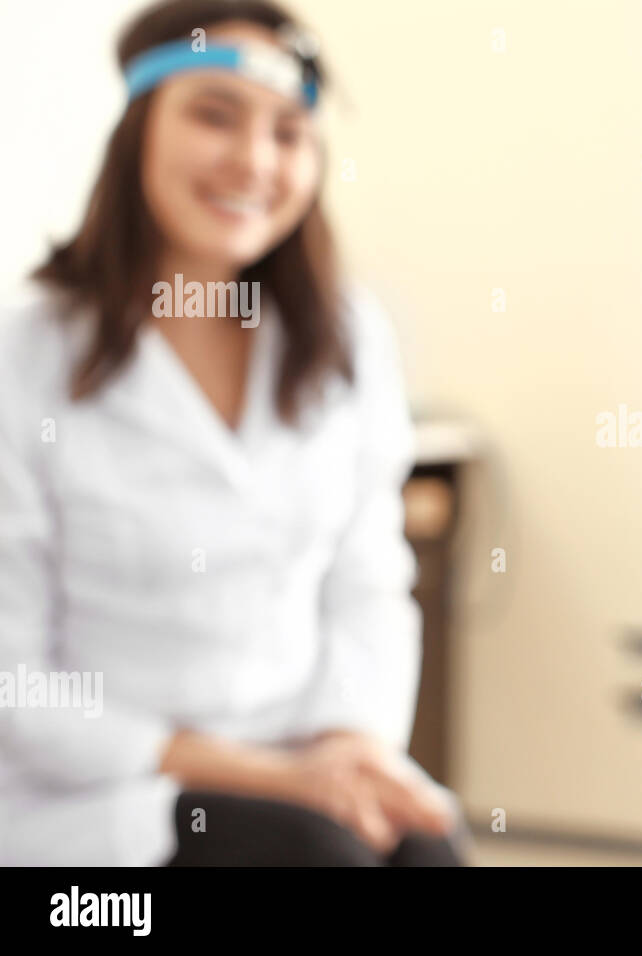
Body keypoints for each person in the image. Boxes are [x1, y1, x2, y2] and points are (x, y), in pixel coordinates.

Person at [0, 0, 469, 866]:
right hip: (99, 797)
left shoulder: (347, 338)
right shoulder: (26, 356)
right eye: (214, 115)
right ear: (139, 128)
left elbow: (368, 584)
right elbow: (14, 681)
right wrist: (263, 777)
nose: (254, 159)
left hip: (305, 754)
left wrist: (352, 743)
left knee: (426, 844)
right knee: (313, 850)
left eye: (289, 133)